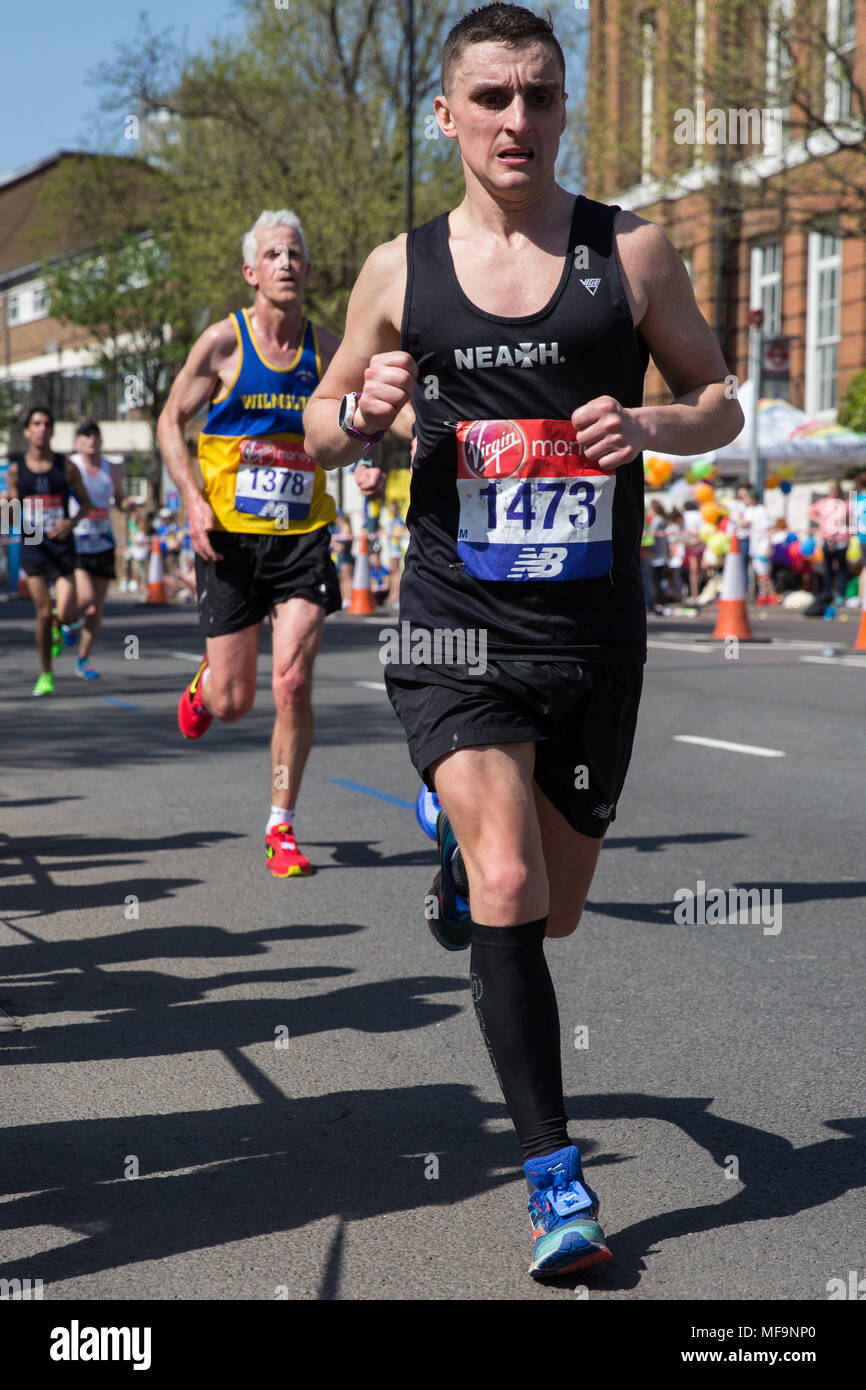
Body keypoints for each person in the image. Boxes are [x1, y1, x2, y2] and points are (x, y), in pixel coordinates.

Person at [304, 3, 743, 1280]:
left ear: (564, 110)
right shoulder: (399, 270)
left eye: (539, 96)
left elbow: (715, 398)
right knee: (509, 890)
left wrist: (656, 430)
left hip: (594, 632)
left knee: (546, 914)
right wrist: (361, 405)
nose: (516, 120)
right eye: (490, 97)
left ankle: (458, 870)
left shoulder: (633, 253)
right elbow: (325, 425)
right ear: (443, 114)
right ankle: (557, 1188)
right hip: (453, 624)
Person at [157, 209, 388, 876]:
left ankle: (281, 826)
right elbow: (171, 422)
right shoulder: (222, 346)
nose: (286, 264)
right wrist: (193, 501)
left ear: (308, 272)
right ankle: (208, 685)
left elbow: (364, 418)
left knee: (291, 682)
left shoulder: (331, 350)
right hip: (229, 540)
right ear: (251, 273)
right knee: (234, 704)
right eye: (273, 255)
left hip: (302, 539)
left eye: (296, 255)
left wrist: (368, 453)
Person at [6, 406, 93, 695]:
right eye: (36, 423)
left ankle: (61, 625)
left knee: (68, 613)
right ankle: (46, 674)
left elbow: (88, 504)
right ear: (27, 431)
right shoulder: (18, 470)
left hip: (62, 546)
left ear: (52, 431)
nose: (42, 428)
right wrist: (6, 504)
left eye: (47, 423)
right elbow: (13, 513)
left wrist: (70, 522)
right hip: (33, 545)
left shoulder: (66, 467)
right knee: (42, 613)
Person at [68, 420, 127, 678]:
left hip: (103, 542)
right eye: (86, 436)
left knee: (96, 609)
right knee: (85, 599)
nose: (92, 441)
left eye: (95, 436)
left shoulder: (112, 468)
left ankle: (83, 660)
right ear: (77, 442)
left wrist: (129, 504)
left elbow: (120, 500)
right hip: (77, 543)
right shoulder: (70, 467)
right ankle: (67, 620)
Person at [806, 480, 849, 614]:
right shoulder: (823, 503)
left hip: (841, 539)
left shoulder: (845, 504)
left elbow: (850, 518)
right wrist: (821, 522)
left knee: (842, 568)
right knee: (828, 568)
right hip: (827, 539)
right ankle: (827, 593)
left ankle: (840, 594)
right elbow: (810, 512)